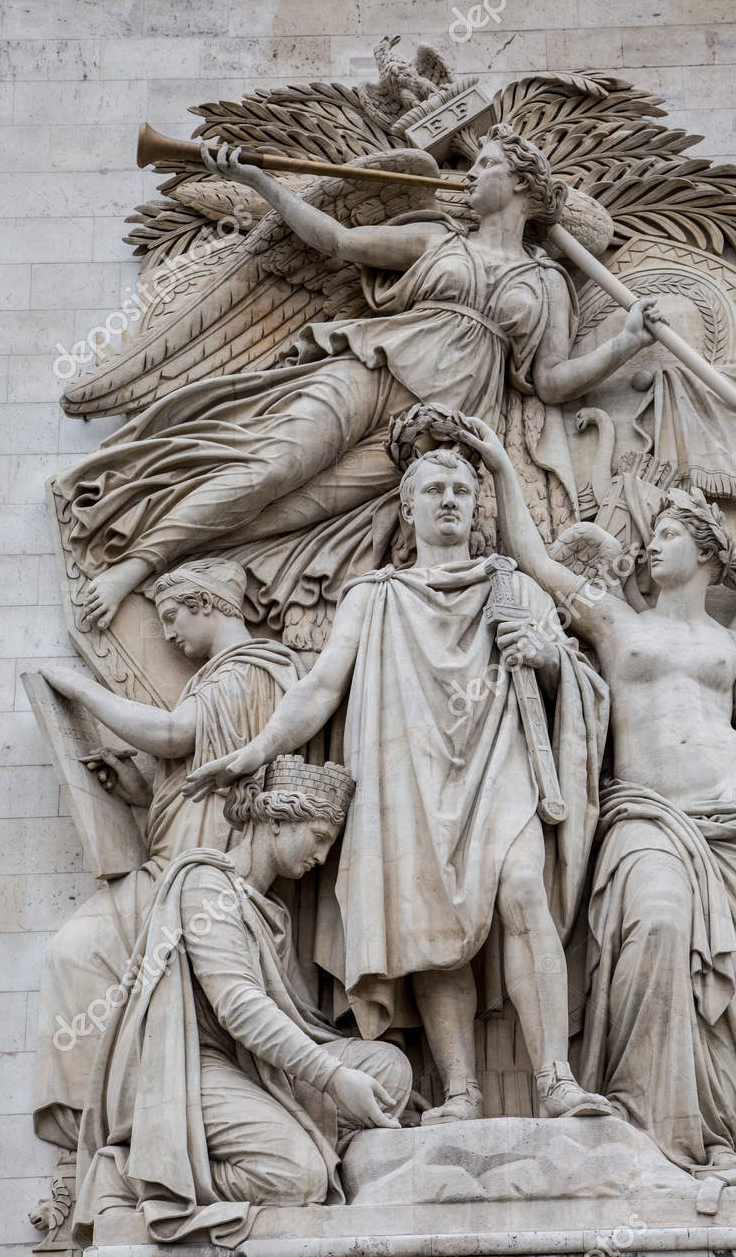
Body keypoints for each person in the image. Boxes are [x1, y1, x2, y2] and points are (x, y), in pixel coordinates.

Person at [60, 126, 661, 628]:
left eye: (487, 165)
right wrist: (261, 184)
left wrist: (626, 343)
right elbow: (339, 240)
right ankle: (133, 566)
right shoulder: (436, 238)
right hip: (373, 367)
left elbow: (552, 382)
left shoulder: (548, 283)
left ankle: (182, 563)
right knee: (274, 466)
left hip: (431, 430)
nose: (470, 175)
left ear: (523, 185)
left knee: (300, 509)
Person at [185, 432, 611, 1124]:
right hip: (408, 773)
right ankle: (462, 1091)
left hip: (498, 765)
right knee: (434, 922)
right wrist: (256, 748)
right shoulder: (374, 596)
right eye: (432, 491)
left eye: (461, 491)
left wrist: (546, 657)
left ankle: (555, 1081)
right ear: (407, 511)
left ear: (479, 508)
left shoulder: (517, 586)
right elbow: (322, 686)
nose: (448, 499)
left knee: (524, 889)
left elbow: (582, 683)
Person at [453, 411, 736, 1172]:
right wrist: (499, 464)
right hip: (647, 818)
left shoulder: (733, 646)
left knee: (720, 990)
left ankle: (705, 1136)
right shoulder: (614, 621)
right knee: (656, 927)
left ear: (699, 550)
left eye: (663, 535)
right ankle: (638, 1121)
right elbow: (529, 555)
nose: (646, 545)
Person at [74, 755, 411, 1246]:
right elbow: (240, 1007)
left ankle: (304, 1138)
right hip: (196, 1067)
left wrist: (349, 1067)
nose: (321, 858)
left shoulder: (272, 912)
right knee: (299, 1176)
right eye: (318, 838)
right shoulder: (208, 886)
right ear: (275, 819)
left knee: (389, 1068)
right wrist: (335, 1077)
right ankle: (135, 1172)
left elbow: (297, 1021)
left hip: (256, 1068)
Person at [33, 558, 303, 1148]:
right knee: (79, 956)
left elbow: (176, 736)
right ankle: (111, 1118)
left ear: (208, 605)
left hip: (197, 875)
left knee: (76, 952)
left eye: (173, 616)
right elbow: (189, 771)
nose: (168, 634)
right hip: (176, 860)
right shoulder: (214, 678)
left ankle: (112, 1120)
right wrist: (137, 793)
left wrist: (81, 689)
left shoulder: (245, 671)